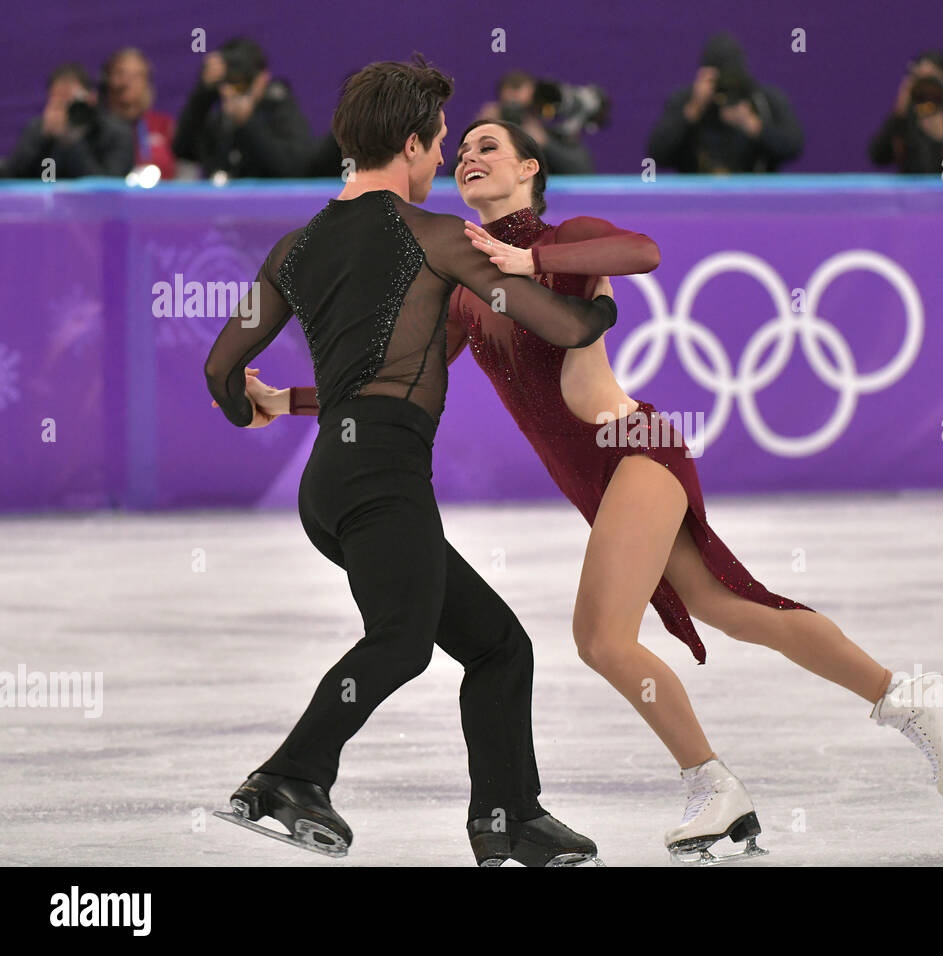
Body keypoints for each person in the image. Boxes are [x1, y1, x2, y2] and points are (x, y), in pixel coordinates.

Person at [256, 119, 943, 864]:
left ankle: (712, 785)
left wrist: (531, 255)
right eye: (465, 148)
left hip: (630, 447)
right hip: (595, 479)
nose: (471, 157)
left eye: (490, 148)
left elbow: (644, 252)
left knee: (602, 638)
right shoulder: (464, 284)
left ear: (530, 168)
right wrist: (290, 401)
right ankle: (913, 701)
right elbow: (400, 382)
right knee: (730, 606)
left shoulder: (564, 240)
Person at [204, 57, 619, 865]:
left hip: (332, 483)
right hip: (385, 474)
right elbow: (567, 328)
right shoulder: (438, 238)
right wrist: (600, 298)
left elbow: (221, 370)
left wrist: (254, 403)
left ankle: (510, 820)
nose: (441, 162)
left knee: (499, 646)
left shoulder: (294, 248)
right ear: (409, 143)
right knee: (401, 640)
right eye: (436, 146)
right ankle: (287, 777)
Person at [646, 32, 803, 173]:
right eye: (718, 80)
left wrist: (752, 125)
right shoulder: (687, 101)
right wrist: (693, 111)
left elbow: (793, 146)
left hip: (754, 196)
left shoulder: (763, 100)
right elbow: (657, 154)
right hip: (699, 197)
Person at [172, 37, 313, 178]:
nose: (229, 92)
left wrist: (249, 122)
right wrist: (203, 93)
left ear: (262, 79)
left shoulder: (280, 109)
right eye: (226, 82)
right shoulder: (219, 119)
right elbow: (183, 150)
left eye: (240, 84)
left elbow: (294, 169)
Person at [3, 63, 134, 179]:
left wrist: (71, 142)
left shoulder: (117, 133)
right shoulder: (38, 130)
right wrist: (43, 139)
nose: (65, 111)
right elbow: (12, 178)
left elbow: (108, 186)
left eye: (72, 102)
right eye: (60, 103)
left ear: (91, 98)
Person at [102, 47, 177, 179]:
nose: (127, 82)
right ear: (108, 80)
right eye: (120, 74)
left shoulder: (164, 125)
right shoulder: (97, 128)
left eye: (136, 76)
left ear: (147, 83)